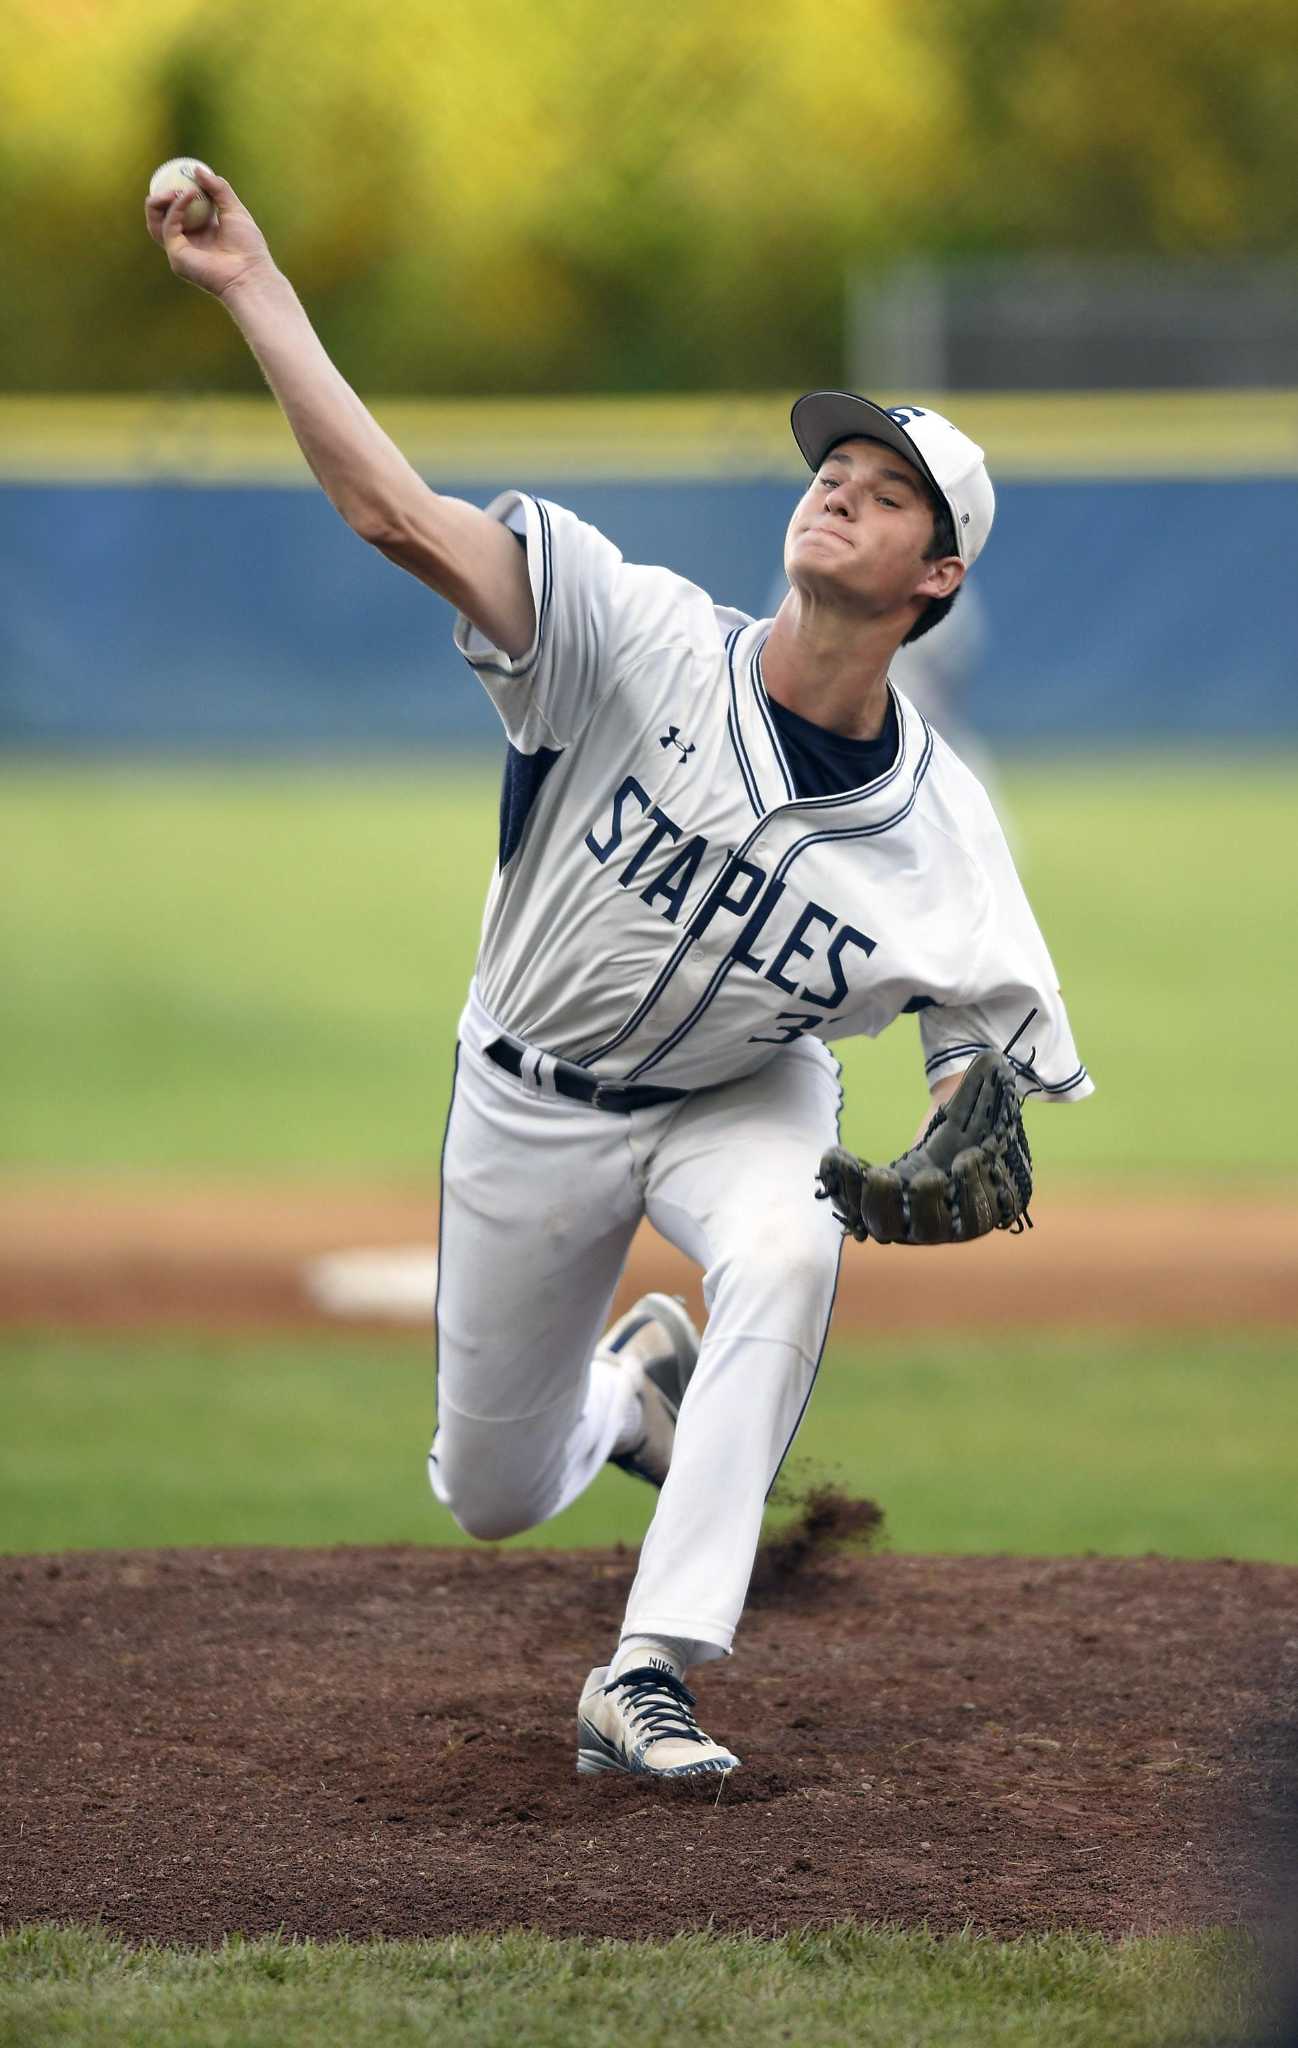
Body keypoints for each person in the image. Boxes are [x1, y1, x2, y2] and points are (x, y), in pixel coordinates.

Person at [147, 165, 1091, 1783]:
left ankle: (648, 1669)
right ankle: (633, 1389)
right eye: (834, 468)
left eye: (886, 492)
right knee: (493, 1494)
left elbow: (977, 1015)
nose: (839, 492)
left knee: (793, 1256)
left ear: (935, 577)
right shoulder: (630, 631)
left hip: (745, 1095)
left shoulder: (940, 820)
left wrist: (955, 1093)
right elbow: (396, 513)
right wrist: (250, 286)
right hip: (526, 1097)